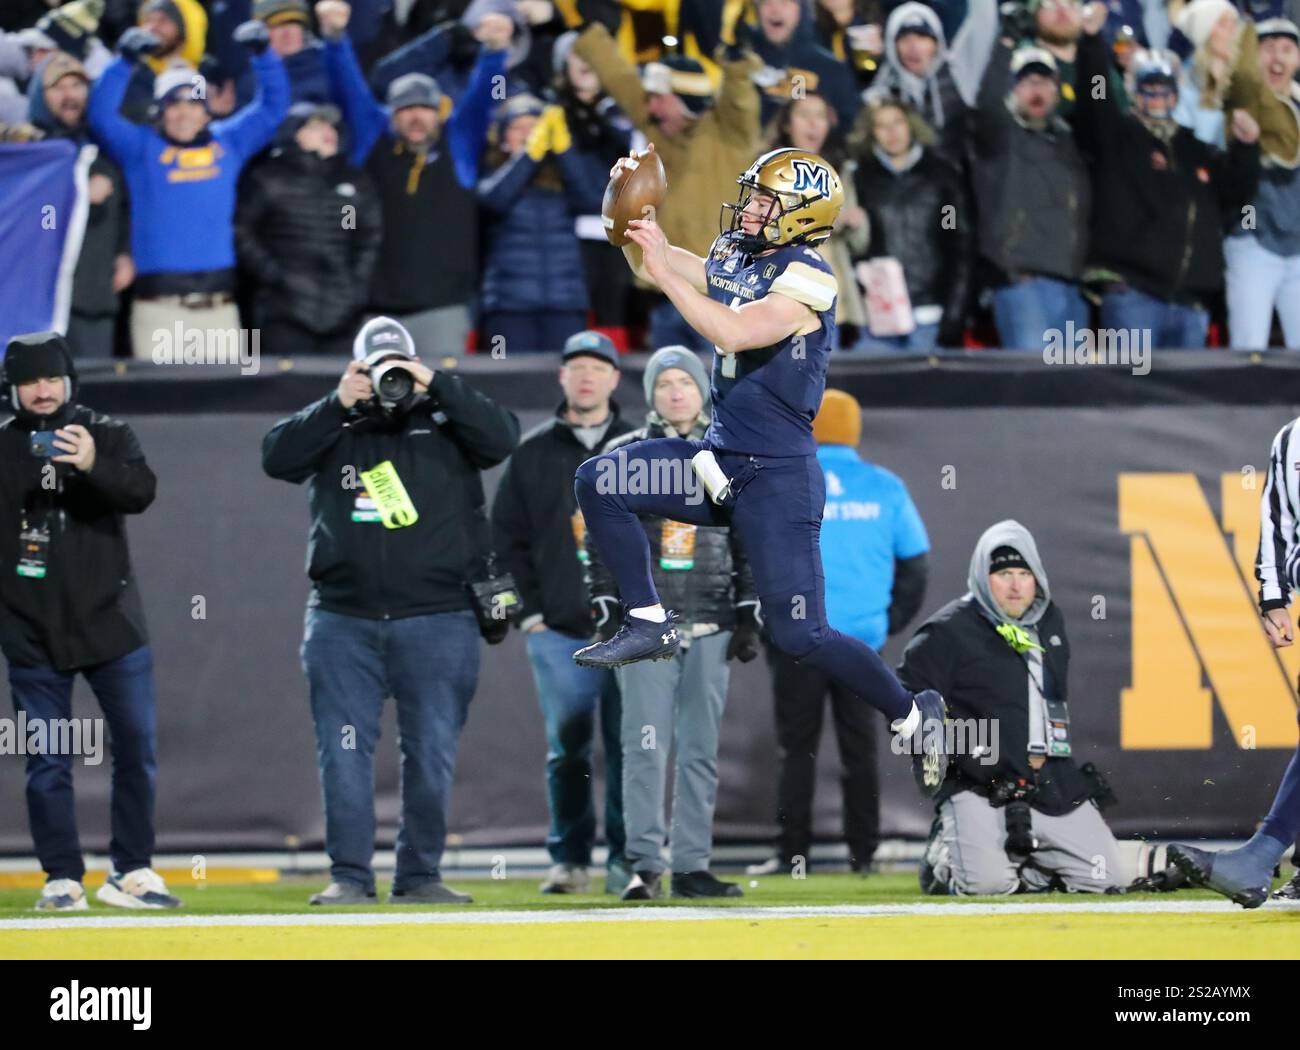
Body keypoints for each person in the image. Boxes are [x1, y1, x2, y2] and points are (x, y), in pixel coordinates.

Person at [569, 146, 952, 795]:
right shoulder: (738, 254)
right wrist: (629, 214)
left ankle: (916, 714)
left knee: (801, 634)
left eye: (765, 200)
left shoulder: (811, 277)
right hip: (718, 461)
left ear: (802, 216)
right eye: (751, 195)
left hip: (775, 477)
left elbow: (733, 330)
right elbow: (653, 262)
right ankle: (649, 621)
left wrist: (665, 270)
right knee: (600, 480)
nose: (750, 208)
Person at [262, 317, 519, 905]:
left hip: (439, 616)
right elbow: (277, 457)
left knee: (431, 752)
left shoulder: (445, 420)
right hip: (342, 619)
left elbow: (502, 439)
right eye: (376, 369)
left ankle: (420, 875)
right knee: (343, 754)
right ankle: (349, 876)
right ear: (355, 370)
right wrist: (335, 403)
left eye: (398, 366)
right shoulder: (336, 423)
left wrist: (438, 383)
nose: (389, 380)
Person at [0, 331, 180, 911]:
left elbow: (142, 492)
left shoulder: (106, 432)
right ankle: (61, 878)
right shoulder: (2, 448)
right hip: (31, 632)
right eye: (29, 381)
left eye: (51, 378)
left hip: (112, 628)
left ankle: (132, 872)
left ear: (69, 380)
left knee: (135, 749)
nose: (43, 391)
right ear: (13, 389)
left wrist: (92, 462)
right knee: (47, 761)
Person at [587, 346, 758, 900]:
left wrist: (751, 606)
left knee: (701, 749)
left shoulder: (729, 451)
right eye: (665, 384)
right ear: (651, 395)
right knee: (643, 745)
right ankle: (643, 865)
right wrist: (608, 603)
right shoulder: (625, 453)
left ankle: (690, 866)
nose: (676, 392)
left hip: (711, 617)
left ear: (703, 390)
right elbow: (597, 540)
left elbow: (751, 536)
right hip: (649, 624)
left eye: (686, 381)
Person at [751, 388, 929, 876]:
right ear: (854, 429)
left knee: (796, 751)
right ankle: (863, 857)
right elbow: (915, 566)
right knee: (861, 751)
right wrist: (884, 622)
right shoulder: (886, 487)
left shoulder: (782, 482)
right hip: (860, 645)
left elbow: (755, 555)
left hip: (797, 642)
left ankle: (791, 857)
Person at [900, 521, 1129, 895]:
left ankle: (1023, 862)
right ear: (981, 576)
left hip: (1047, 781)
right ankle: (943, 859)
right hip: (978, 785)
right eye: (1004, 573)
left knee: (1105, 880)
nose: (1016, 585)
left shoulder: (1049, 622)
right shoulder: (946, 631)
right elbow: (904, 707)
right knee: (986, 886)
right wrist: (952, 755)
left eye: (1025, 573)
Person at [491, 331, 637, 894]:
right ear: (561, 378)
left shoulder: (643, 445)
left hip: (634, 629)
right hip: (560, 632)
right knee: (569, 749)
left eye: (597, 367)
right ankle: (570, 859)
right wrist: (526, 615)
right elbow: (504, 541)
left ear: (615, 380)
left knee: (633, 747)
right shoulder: (532, 452)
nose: (585, 376)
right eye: (575, 366)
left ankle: (629, 861)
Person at [88, 16, 290, 360]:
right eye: (174, 104)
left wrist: (263, 54)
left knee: (228, 406)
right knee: (161, 406)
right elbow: (100, 115)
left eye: (193, 104)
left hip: (220, 309)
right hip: (159, 310)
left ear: (206, 112)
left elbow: (273, 107)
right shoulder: (141, 148)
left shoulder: (230, 142)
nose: (184, 113)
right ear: (160, 111)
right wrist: (123, 62)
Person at [568, 4, 762, 351]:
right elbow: (619, 78)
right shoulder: (661, 129)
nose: (649, 107)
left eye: (658, 98)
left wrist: (736, 61)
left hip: (724, 292)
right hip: (665, 293)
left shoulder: (731, 133)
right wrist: (584, 30)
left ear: (684, 99)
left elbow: (741, 99)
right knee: (669, 384)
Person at [320, 0, 507, 355]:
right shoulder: (372, 144)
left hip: (443, 312)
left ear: (439, 113)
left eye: (425, 108)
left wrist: (495, 53)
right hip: (377, 313)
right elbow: (348, 88)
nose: (416, 117)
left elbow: (485, 99)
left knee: (442, 405)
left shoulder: (460, 147)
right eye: (406, 109)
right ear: (391, 115)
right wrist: (334, 38)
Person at [1170, 413, 1300, 907]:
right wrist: (1273, 597)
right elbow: (1277, 522)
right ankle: (1262, 857)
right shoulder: (1292, 439)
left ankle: (1259, 856)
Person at [1074, 2, 1260, 348]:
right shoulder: (1118, 137)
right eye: (1149, 87)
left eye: (1165, 88)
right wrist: (1090, 42)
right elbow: (1094, 97)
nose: (1157, 95)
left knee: (1188, 404)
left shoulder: (1195, 149)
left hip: (1190, 300)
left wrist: (1248, 148)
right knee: (1131, 400)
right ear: (1135, 92)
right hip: (1134, 293)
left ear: (1176, 94)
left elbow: (1238, 195)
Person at [3, 53, 135, 358]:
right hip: (35, 308)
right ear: (39, 96)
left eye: (77, 85)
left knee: (93, 397)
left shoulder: (100, 154)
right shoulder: (26, 156)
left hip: (92, 303)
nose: (70, 96)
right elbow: (39, 222)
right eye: (58, 87)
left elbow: (124, 208)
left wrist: (125, 252)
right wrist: (76, 197)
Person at [970, 42, 1091, 351]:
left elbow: (1100, 106)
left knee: (1072, 391)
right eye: (1026, 81)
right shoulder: (999, 139)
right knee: (1035, 388)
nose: (1036, 89)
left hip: (1072, 286)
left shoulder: (1071, 141)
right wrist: (1004, 45)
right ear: (1012, 90)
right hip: (1023, 284)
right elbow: (988, 103)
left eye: (1045, 81)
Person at [235, 102, 383, 354]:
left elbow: (358, 236)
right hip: (285, 314)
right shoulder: (269, 179)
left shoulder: (350, 182)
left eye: (331, 126)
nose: (328, 131)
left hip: (342, 315)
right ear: (293, 133)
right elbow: (243, 232)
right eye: (316, 125)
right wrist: (275, 275)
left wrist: (355, 286)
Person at [476, 93, 599, 353]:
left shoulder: (563, 178)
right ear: (502, 137)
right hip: (510, 306)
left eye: (535, 128)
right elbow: (494, 201)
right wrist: (529, 156)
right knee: (509, 386)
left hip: (565, 304)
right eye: (517, 128)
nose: (527, 135)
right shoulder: (490, 173)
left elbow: (592, 199)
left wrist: (565, 151)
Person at [850, 96, 971, 350]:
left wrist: (955, 311)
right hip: (877, 318)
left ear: (911, 125)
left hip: (930, 314)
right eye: (881, 125)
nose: (891, 132)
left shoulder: (942, 178)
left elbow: (959, 245)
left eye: (897, 122)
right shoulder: (859, 180)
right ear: (871, 133)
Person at [767, 93, 871, 345]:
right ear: (786, 124)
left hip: (837, 304)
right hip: (786, 302)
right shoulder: (768, 170)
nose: (813, 124)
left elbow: (859, 244)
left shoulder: (839, 171)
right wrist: (826, 223)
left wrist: (858, 223)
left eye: (821, 117)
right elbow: (766, 232)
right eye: (804, 116)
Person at [1223, 17, 1300, 349]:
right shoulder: (1235, 100)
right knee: (1249, 352)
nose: (1277, 59)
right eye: (1267, 49)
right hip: (1253, 241)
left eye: (1286, 49)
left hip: (1299, 249)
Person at [865, 0, 999, 167]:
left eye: (922, 37)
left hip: (958, 187)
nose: (913, 47)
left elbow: (983, 20)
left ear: (937, 43)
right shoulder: (882, 93)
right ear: (893, 46)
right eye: (904, 39)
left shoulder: (960, 76)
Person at [750, 0, 861, 128]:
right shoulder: (738, 63)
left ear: (801, 9)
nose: (775, 10)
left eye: (785, 3)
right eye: (767, 3)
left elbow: (850, 127)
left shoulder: (832, 69)